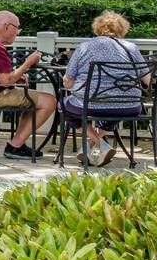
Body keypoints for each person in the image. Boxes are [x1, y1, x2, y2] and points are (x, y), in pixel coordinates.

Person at [62, 10, 152, 166]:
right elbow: (148, 80)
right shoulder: (131, 48)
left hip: (90, 106)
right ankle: (93, 149)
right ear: (122, 30)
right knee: (114, 109)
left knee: (64, 105)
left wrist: (71, 84)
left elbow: (68, 82)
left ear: (97, 28)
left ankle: (98, 143)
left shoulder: (84, 47)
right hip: (129, 106)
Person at [0, 10, 58, 159]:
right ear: (7, 26)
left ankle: (17, 144)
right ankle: (15, 146)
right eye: (17, 28)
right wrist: (27, 64)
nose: (18, 33)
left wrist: (17, 75)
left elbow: (0, 76)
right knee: (49, 101)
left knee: (32, 100)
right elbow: (6, 81)